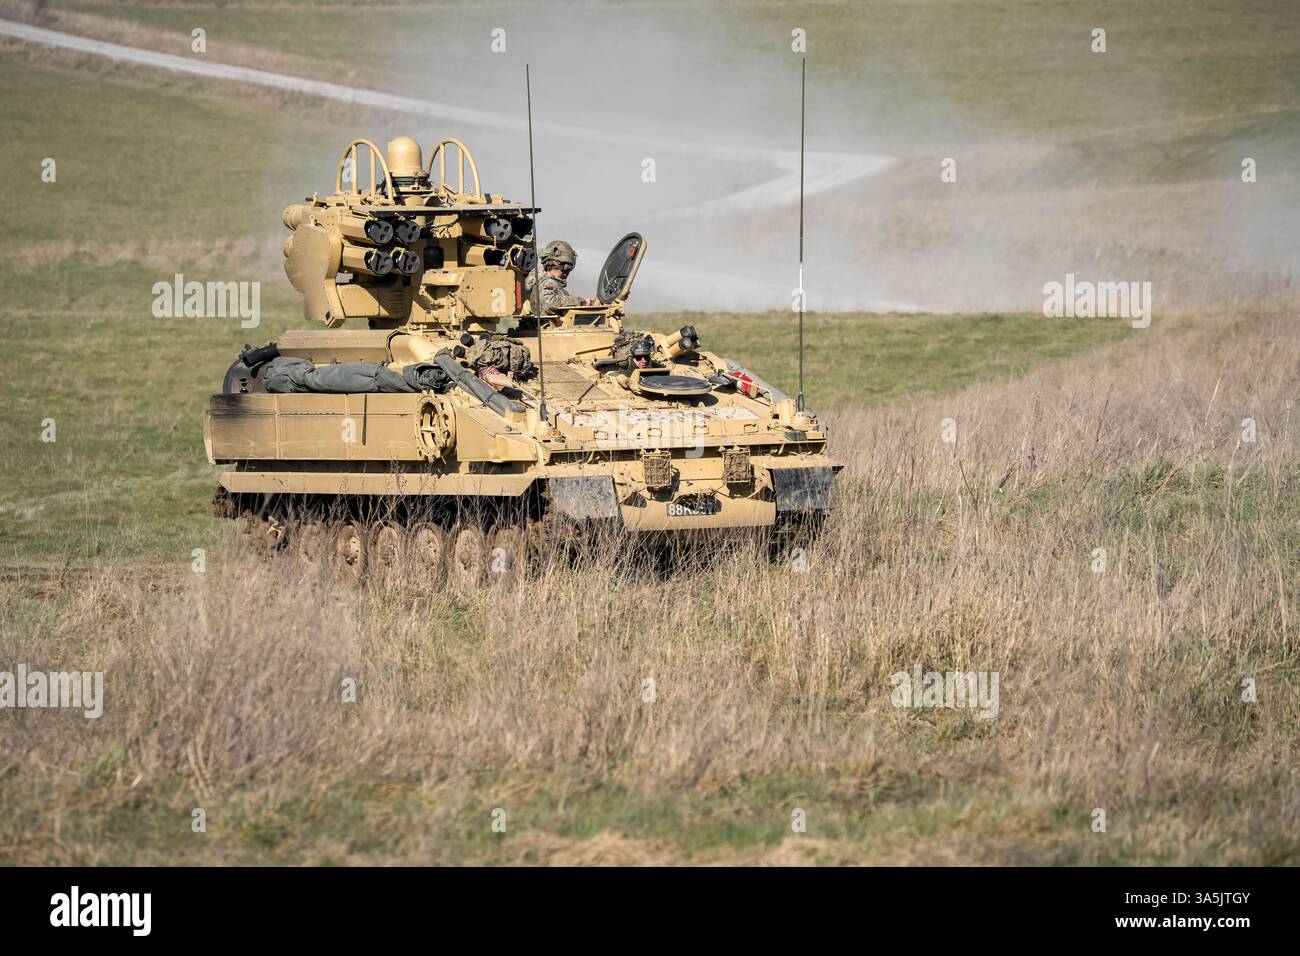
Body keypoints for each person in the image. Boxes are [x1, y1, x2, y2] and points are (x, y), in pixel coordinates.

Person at [526, 240, 594, 313]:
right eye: (569, 266)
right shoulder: (548, 283)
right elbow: (550, 304)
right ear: (565, 266)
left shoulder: (546, 282)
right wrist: (581, 302)